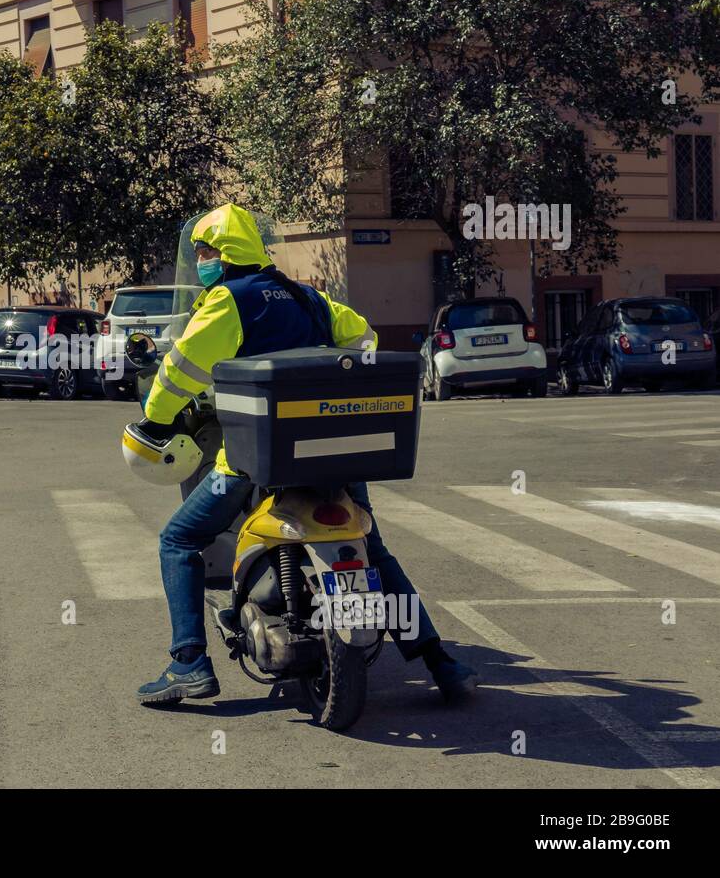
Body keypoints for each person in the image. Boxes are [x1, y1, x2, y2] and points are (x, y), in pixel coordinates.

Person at [130, 203, 478, 705]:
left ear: (224, 256)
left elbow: (181, 367)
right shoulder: (308, 297)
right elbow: (364, 339)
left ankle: (188, 664)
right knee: (374, 552)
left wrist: (156, 419)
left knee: (178, 539)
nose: (202, 260)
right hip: (336, 455)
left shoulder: (227, 301)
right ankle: (440, 663)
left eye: (205, 252)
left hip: (256, 461)